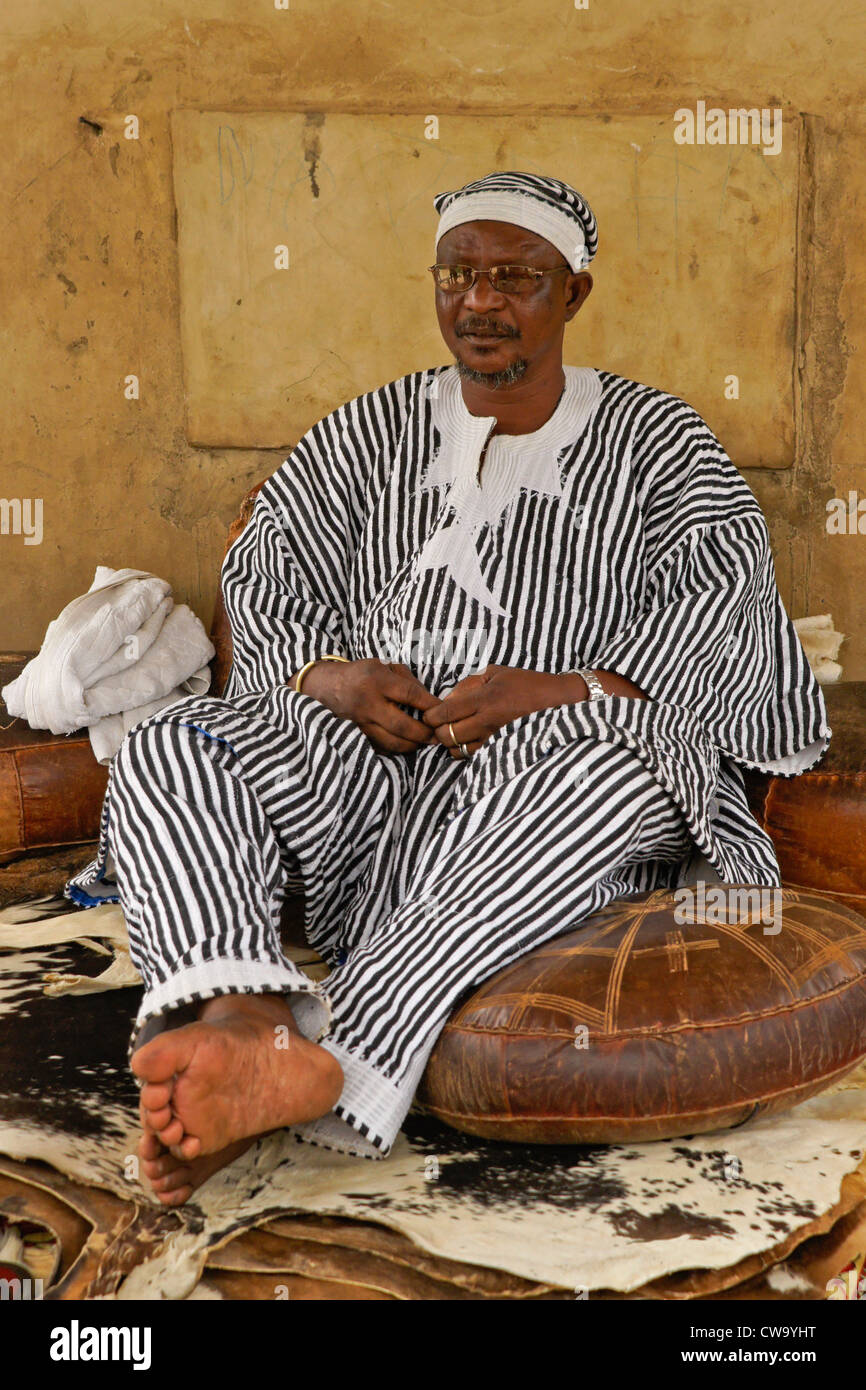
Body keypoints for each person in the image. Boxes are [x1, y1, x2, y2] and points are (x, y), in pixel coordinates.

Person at [65, 171, 830, 1206]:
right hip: (369, 754)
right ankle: (239, 1010)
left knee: (596, 775)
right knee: (174, 740)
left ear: (574, 294)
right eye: (457, 274)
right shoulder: (365, 431)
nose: (478, 300)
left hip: (551, 759)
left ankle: (332, 1055)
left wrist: (558, 689)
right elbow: (268, 573)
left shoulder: (661, 442)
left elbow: (722, 607)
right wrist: (329, 676)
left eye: (513, 276)